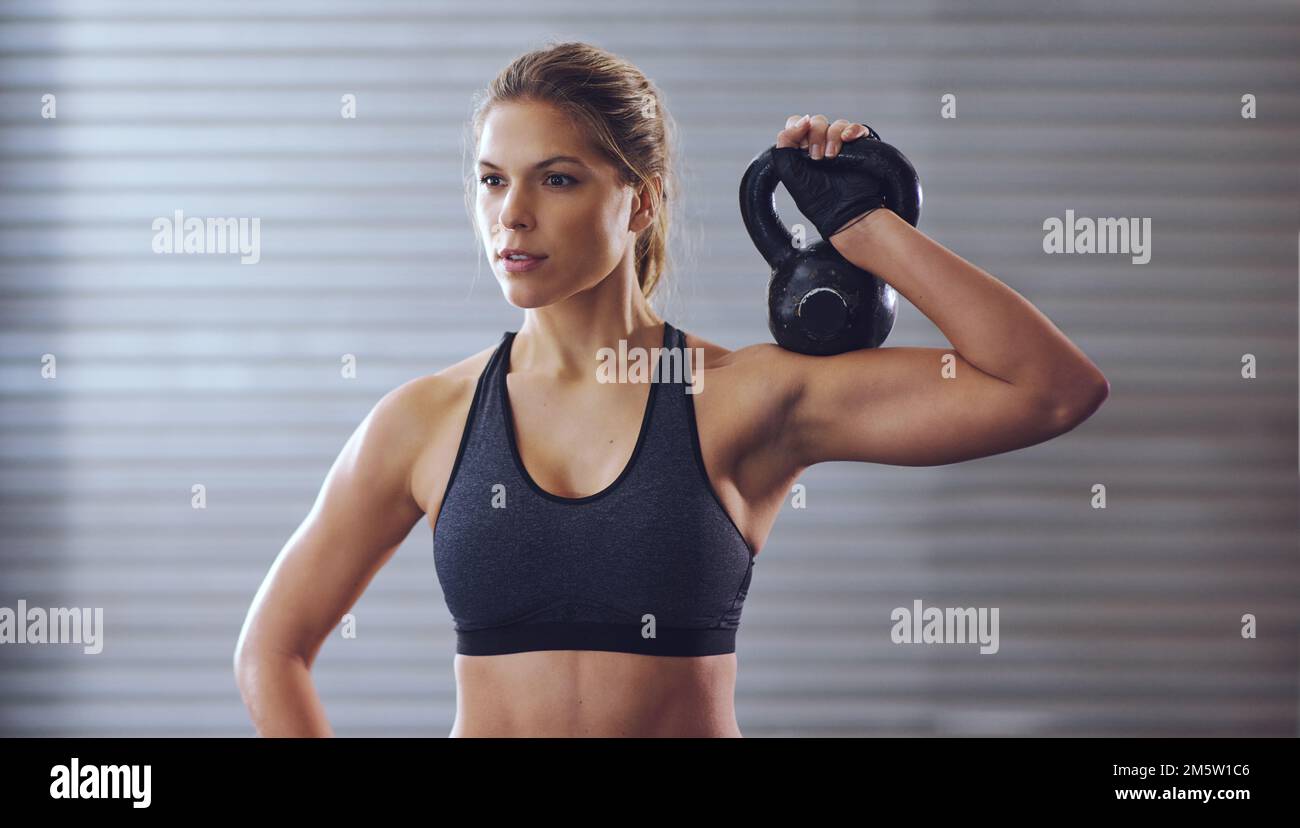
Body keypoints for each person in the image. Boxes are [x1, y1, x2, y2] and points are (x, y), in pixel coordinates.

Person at [233, 41, 1108, 738]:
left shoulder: (744, 395)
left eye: (559, 177)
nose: (513, 214)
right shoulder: (425, 421)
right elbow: (270, 653)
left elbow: (1051, 389)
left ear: (639, 202)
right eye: (493, 180)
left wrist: (864, 229)